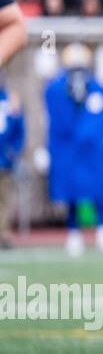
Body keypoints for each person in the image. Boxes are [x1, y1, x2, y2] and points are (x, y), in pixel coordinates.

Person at [45, 43, 103, 256]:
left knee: (97, 189)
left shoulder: (97, 90)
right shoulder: (56, 89)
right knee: (70, 191)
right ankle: (73, 231)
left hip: (89, 150)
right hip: (68, 149)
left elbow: (96, 121)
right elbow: (56, 120)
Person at [0, 82, 24, 249]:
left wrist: (13, 151)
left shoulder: (10, 100)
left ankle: (4, 232)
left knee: (5, 199)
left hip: (4, 159)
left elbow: (19, 130)